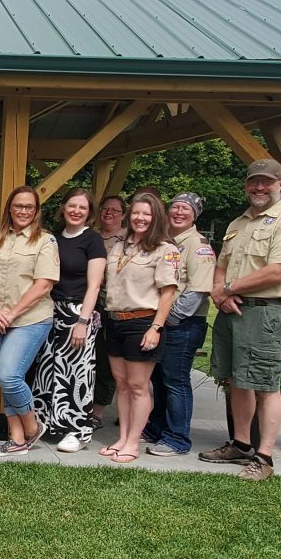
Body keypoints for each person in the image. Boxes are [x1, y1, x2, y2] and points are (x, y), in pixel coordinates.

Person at [203, 159, 281, 481]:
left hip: (266, 311)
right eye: (254, 182)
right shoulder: (239, 223)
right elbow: (222, 263)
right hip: (233, 308)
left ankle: (264, 457)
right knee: (237, 379)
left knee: (265, 384)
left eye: (266, 182)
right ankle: (241, 443)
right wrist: (220, 293)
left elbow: (278, 270)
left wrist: (227, 288)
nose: (259, 187)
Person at [0, 185, 59, 457]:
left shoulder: (45, 241)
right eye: (18, 206)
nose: (23, 211)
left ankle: (32, 428)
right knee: (6, 377)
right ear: (9, 208)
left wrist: (10, 313)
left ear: (36, 211)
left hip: (29, 320)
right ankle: (17, 439)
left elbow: (43, 284)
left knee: (9, 376)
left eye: (29, 207)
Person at [101, 194, 181, 463]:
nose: (140, 218)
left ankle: (133, 442)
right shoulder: (119, 247)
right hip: (115, 320)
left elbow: (168, 293)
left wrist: (156, 327)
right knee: (122, 385)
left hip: (143, 321)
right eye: (136, 213)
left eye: (146, 214)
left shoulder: (164, 249)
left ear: (156, 216)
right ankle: (122, 437)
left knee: (138, 385)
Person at [31, 188, 106, 453]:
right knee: (48, 370)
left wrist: (83, 321)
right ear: (62, 208)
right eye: (71, 206)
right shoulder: (51, 239)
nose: (76, 211)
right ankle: (48, 423)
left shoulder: (93, 240)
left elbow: (94, 285)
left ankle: (77, 429)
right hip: (50, 311)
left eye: (82, 208)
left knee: (77, 374)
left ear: (89, 213)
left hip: (78, 313)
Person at [145, 192, 217, 456]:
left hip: (182, 323)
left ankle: (177, 438)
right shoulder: (164, 242)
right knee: (160, 379)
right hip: (163, 322)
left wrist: (168, 319)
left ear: (194, 215)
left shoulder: (198, 246)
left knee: (175, 380)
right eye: (174, 207)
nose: (178, 212)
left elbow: (196, 291)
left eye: (185, 209)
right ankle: (157, 428)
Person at [92, 193, 129, 411]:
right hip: (90, 302)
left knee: (107, 361)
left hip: (114, 305)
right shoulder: (92, 236)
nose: (109, 213)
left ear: (123, 215)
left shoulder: (128, 240)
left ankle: (98, 410)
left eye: (115, 210)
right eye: (105, 208)